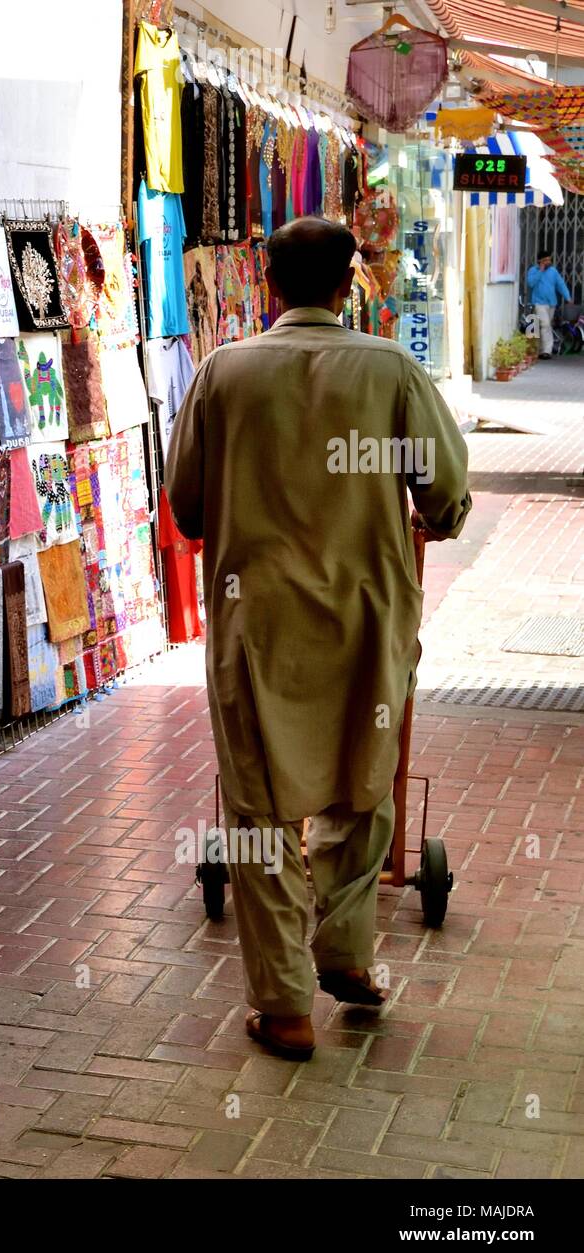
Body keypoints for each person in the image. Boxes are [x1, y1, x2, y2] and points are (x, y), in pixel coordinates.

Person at [165, 216, 471, 1061]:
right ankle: (346, 957)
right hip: (367, 622)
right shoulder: (391, 371)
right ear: (348, 286)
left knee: (260, 813)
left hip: (255, 628)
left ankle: (287, 1005)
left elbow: (186, 505)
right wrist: (430, 516)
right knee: (362, 790)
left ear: (268, 285)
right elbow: (444, 492)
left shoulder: (222, 374)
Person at [526, 250, 571, 358]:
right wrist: (540, 271)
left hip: (551, 303)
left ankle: (541, 350)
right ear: (539, 261)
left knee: (545, 326)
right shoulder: (533, 270)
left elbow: (560, 284)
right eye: (545, 260)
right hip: (539, 303)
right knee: (545, 324)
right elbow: (530, 283)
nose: (548, 262)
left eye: (549, 259)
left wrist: (568, 297)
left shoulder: (553, 271)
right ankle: (547, 350)